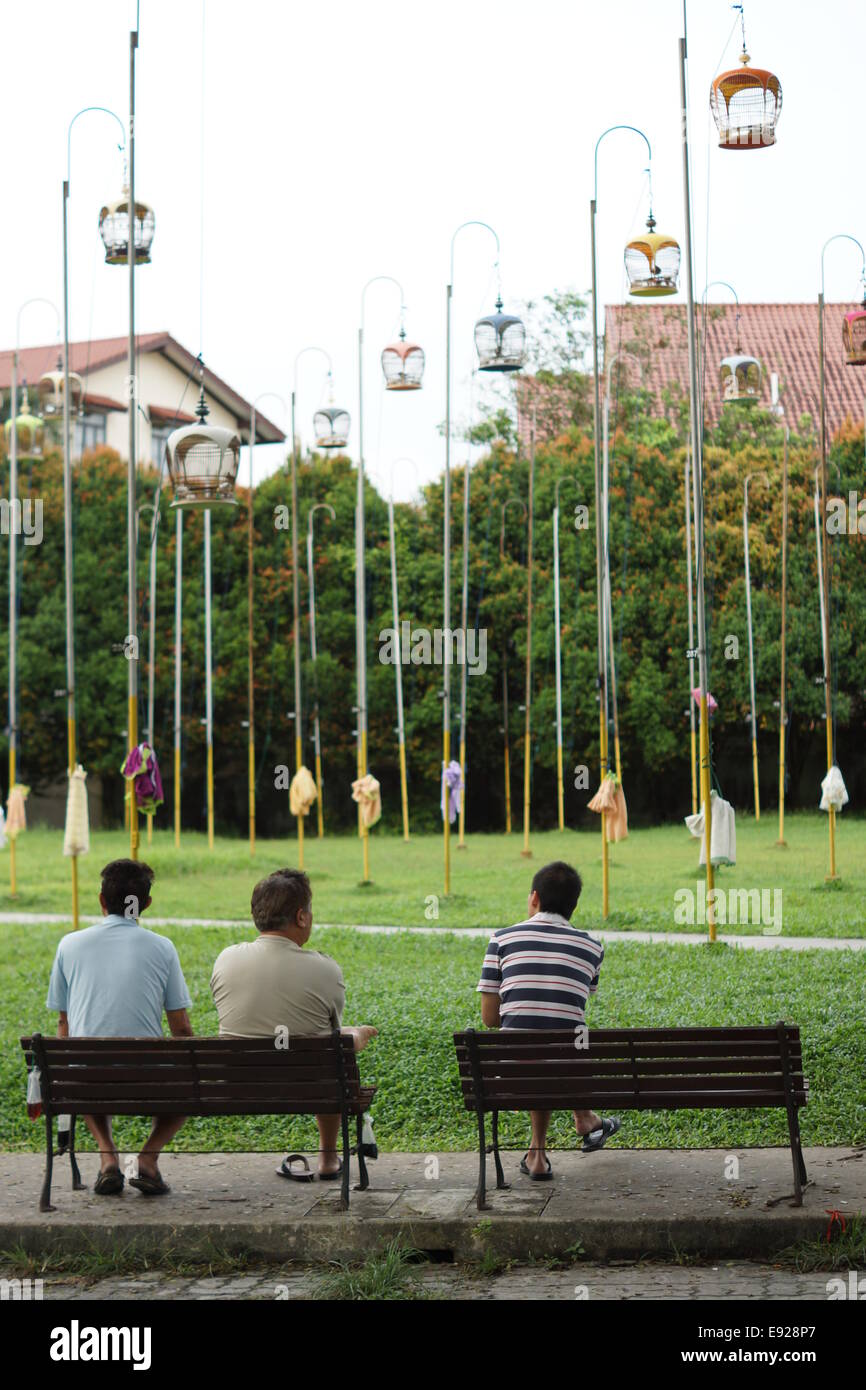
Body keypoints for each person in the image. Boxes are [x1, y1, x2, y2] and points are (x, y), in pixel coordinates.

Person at [210, 868, 377, 1181]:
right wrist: (352, 1037)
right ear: (302, 917)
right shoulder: (324, 969)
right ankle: (328, 1158)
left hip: (237, 1084)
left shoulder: (226, 959)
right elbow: (332, 1034)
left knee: (332, 1052)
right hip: (311, 1084)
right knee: (333, 1059)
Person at [46, 859, 193, 1197]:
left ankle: (109, 1156)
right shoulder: (163, 948)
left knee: (84, 1066)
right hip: (145, 1079)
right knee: (189, 1084)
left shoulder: (69, 945)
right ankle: (147, 1158)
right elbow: (181, 1029)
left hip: (86, 1082)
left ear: (101, 900)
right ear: (147, 904)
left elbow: (64, 1024)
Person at [476, 859, 620, 1180]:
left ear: (534, 899)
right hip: (568, 1064)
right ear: (574, 907)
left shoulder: (501, 939)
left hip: (512, 1073)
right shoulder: (592, 947)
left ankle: (538, 1154)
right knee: (569, 1035)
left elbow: (488, 1019)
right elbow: (572, 1005)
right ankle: (583, 1118)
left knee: (537, 1038)